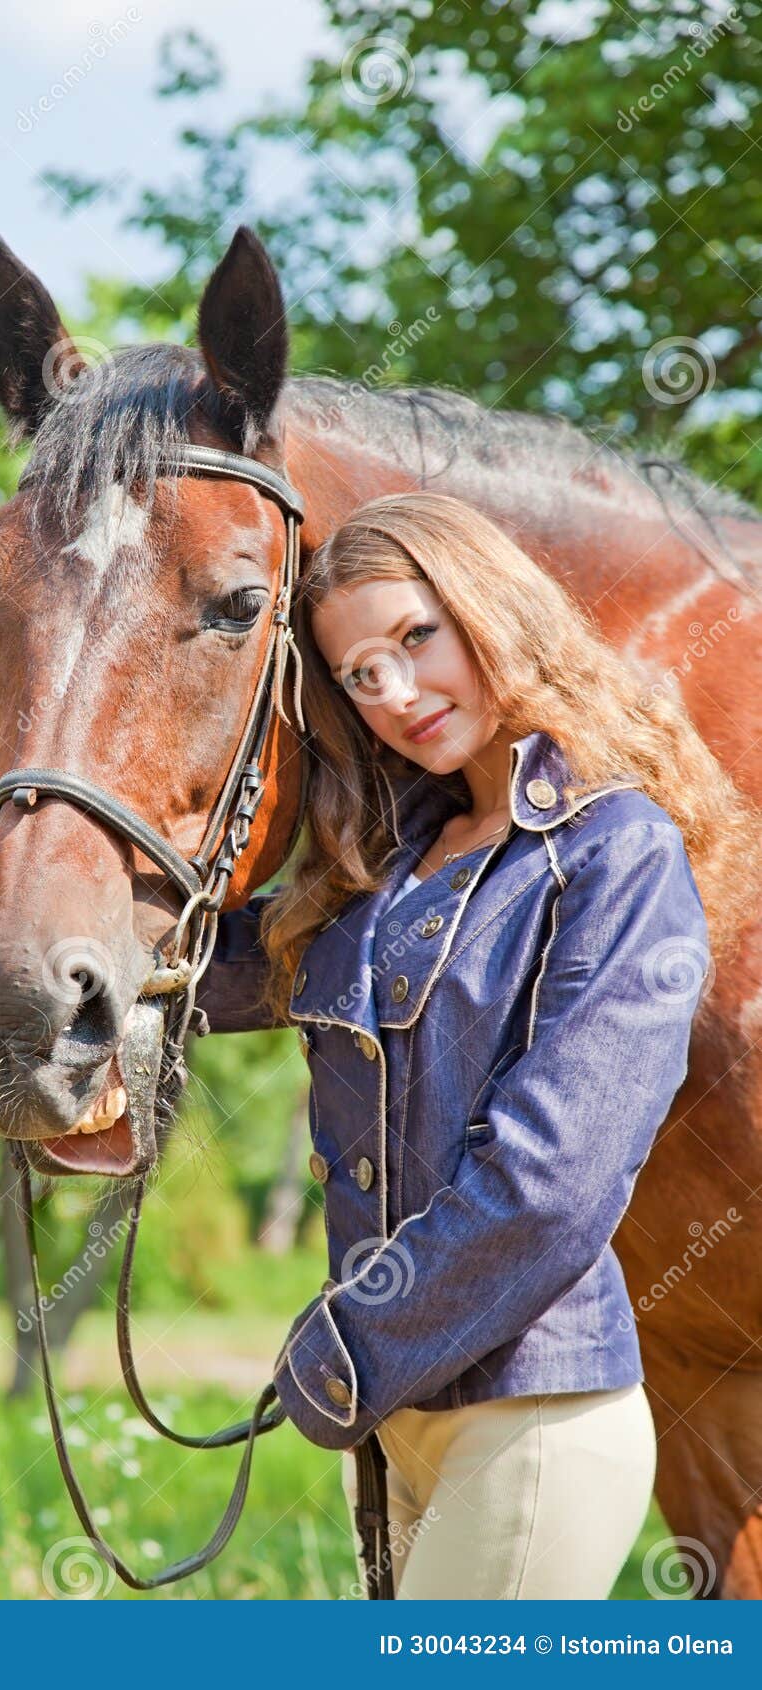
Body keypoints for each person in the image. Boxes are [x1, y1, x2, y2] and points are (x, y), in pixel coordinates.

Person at [193, 491, 759, 1599]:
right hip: (403, 1425)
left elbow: (549, 1179)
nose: (394, 693)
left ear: (489, 611)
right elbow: (233, 967)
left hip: (531, 1417)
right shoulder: (395, 868)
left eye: (415, 638)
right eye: (359, 674)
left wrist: (344, 1343)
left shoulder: (615, 852)